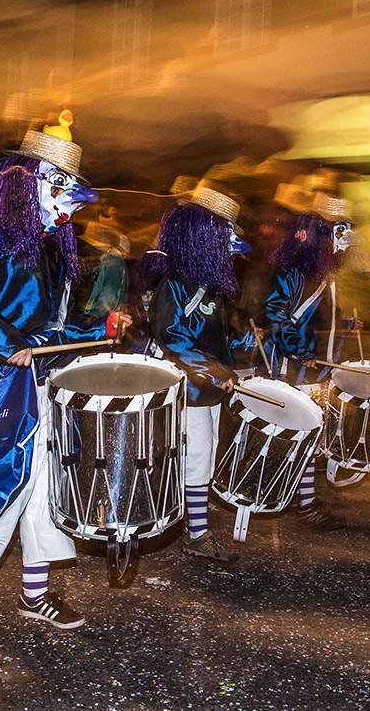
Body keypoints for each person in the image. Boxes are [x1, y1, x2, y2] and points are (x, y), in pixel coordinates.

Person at [0, 112, 128, 629]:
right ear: (27, 182)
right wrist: (6, 342)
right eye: (57, 184)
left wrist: (101, 325)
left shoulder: (55, 249)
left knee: (46, 490)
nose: (67, 199)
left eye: (70, 187)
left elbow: (56, 325)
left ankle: (33, 595)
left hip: (44, 381)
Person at [147, 185, 251, 564]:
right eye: (225, 234)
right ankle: (196, 533)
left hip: (209, 389)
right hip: (188, 389)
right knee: (195, 458)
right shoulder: (176, 284)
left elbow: (208, 336)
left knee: (202, 460)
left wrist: (231, 357)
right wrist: (213, 370)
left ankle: (195, 527)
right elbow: (170, 334)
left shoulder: (207, 286)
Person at [259, 191, 358, 527]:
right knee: (297, 436)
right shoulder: (292, 272)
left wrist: (346, 324)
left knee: (311, 437)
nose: (347, 239)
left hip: (318, 371)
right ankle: (296, 500)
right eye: (341, 231)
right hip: (294, 371)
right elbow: (276, 314)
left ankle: (300, 498)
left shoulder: (327, 274)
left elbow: (320, 318)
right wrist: (300, 352)